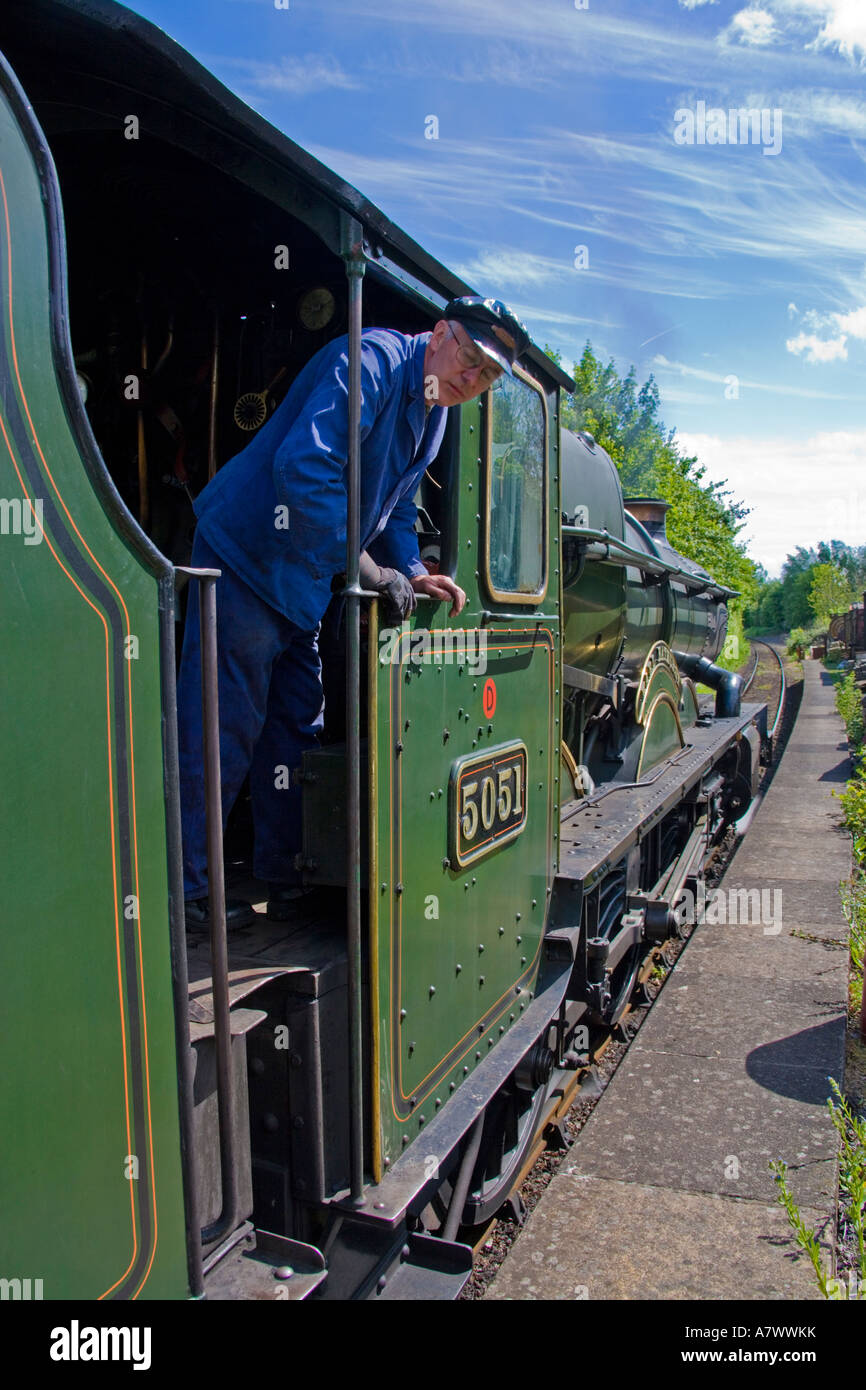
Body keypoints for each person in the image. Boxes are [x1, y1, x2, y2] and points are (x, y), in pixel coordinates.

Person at [178, 296, 530, 927]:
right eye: (469, 360)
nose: (470, 380)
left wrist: (414, 574)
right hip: (249, 557)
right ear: (442, 334)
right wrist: (368, 572)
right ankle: (186, 891)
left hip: (305, 577)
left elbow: (395, 508)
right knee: (223, 722)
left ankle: (284, 873)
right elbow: (304, 471)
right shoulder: (367, 362)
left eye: (485, 377)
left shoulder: (434, 411)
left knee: (295, 722)